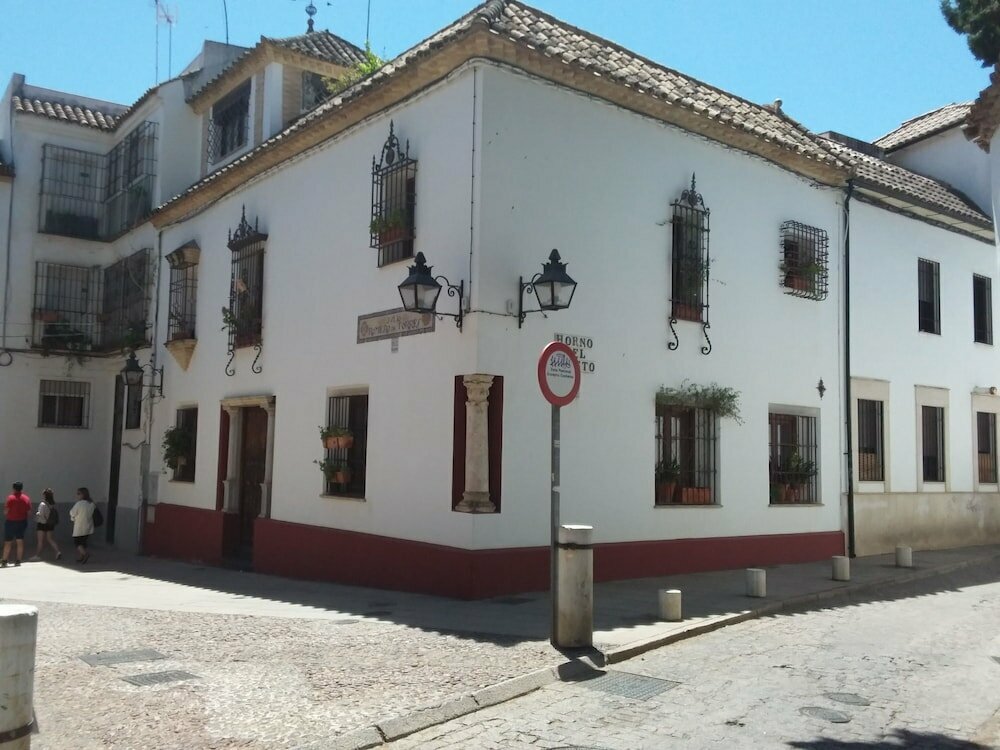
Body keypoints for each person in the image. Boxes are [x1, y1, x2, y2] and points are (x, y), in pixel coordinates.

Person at [3, 482, 32, 568]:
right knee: (20, 541)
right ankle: (18, 560)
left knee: (8, 542)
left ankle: (4, 561)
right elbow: (29, 512)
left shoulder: (10, 498)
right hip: (22, 522)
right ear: (21, 488)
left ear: (14, 488)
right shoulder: (26, 498)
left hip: (11, 522)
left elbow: (6, 511)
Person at [30, 488, 61, 562]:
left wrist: (37, 514)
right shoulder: (52, 504)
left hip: (42, 524)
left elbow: (40, 514)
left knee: (40, 541)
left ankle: (37, 556)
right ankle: (58, 552)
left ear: (44, 495)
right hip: (50, 524)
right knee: (50, 539)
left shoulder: (42, 504)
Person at [69, 487, 95, 564]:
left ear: (83, 494)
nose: (77, 495)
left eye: (78, 493)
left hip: (79, 526)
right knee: (83, 542)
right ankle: (81, 556)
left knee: (77, 542)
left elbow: (72, 512)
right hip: (88, 526)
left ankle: (85, 554)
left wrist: (73, 517)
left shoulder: (79, 504)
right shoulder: (91, 504)